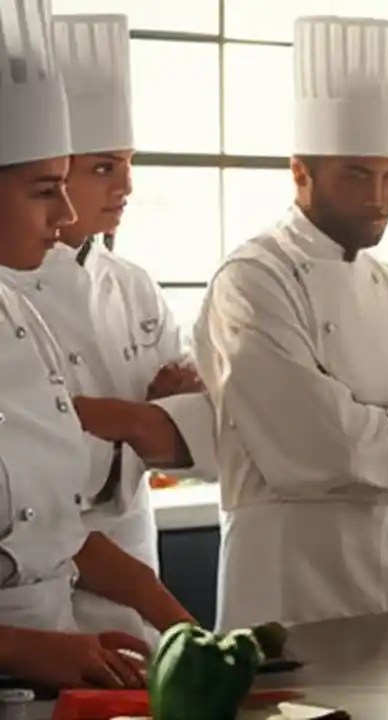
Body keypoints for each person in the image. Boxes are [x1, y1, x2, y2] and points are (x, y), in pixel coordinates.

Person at [194, 15, 388, 630]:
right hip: (288, 586)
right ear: (300, 171)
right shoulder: (252, 281)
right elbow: (314, 444)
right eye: (356, 174)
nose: (379, 197)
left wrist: (378, 421)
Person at [0, 13, 217, 640]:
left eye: (127, 162)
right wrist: (136, 420)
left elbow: (204, 438)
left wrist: (184, 632)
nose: (125, 185)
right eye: (99, 168)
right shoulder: (19, 294)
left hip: (111, 567)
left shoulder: (125, 286)